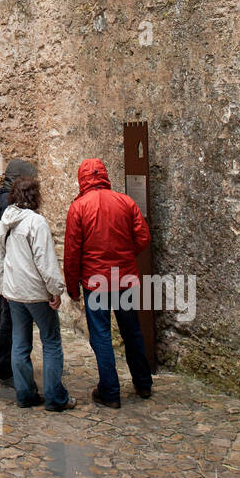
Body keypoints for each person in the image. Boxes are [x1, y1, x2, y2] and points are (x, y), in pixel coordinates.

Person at [64, 158, 152, 409]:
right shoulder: (125, 202)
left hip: (96, 282)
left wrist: (72, 288)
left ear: (82, 179)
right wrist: (125, 256)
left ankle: (110, 391)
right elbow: (143, 237)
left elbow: (72, 253)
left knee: (101, 335)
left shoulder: (79, 208)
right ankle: (143, 382)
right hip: (124, 278)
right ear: (104, 175)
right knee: (132, 330)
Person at [0, 173, 76, 412]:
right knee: (51, 341)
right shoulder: (36, 222)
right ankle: (55, 398)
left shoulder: (6, 221)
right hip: (36, 292)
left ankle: (26, 394)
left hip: (14, 292)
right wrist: (55, 290)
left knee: (19, 342)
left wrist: (3, 287)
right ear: (35, 196)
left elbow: (0, 258)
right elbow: (45, 261)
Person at [0, 158, 38, 386]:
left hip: (4, 263)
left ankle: (2, 365)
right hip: (7, 264)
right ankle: (2, 368)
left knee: (5, 313)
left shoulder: (0, 197)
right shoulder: (6, 202)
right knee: (8, 315)